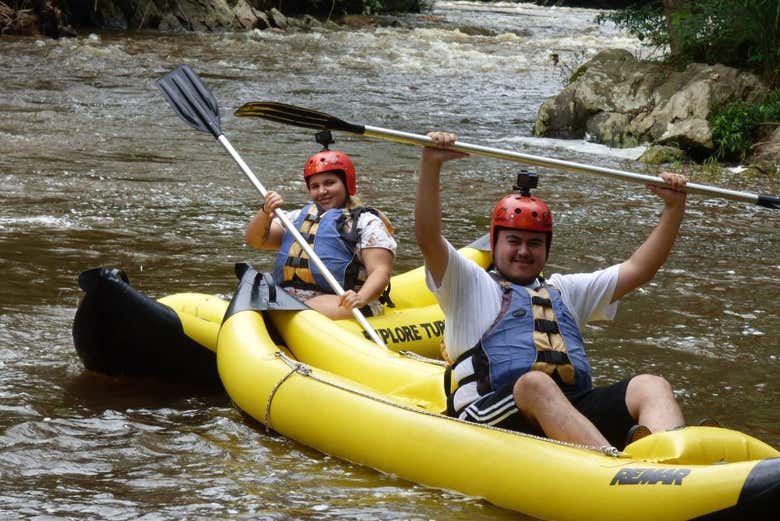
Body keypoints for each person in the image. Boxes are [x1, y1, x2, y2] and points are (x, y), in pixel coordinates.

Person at [415, 131, 687, 451]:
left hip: (566, 410)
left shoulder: (563, 291)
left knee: (651, 386)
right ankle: (613, 468)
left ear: (546, 248)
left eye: (534, 243)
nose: (524, 252)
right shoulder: (469, 284)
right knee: (535, 383)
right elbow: (429, 237)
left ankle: (670, 460)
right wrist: (431, 165)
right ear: (494, 243)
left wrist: (674, 209)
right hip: (490, 414)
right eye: (513, 242)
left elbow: (639, 269)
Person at [246, 141, 396, 320]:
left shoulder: (367, 222)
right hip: (289, 300)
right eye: (315, 186)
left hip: (346, 302)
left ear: (347, 184)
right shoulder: (296, 218)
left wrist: (360, 298)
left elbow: (380, 271)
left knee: (309, 308)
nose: (322, 191)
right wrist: (265, 211)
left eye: (330, 183)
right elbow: (256, 240)